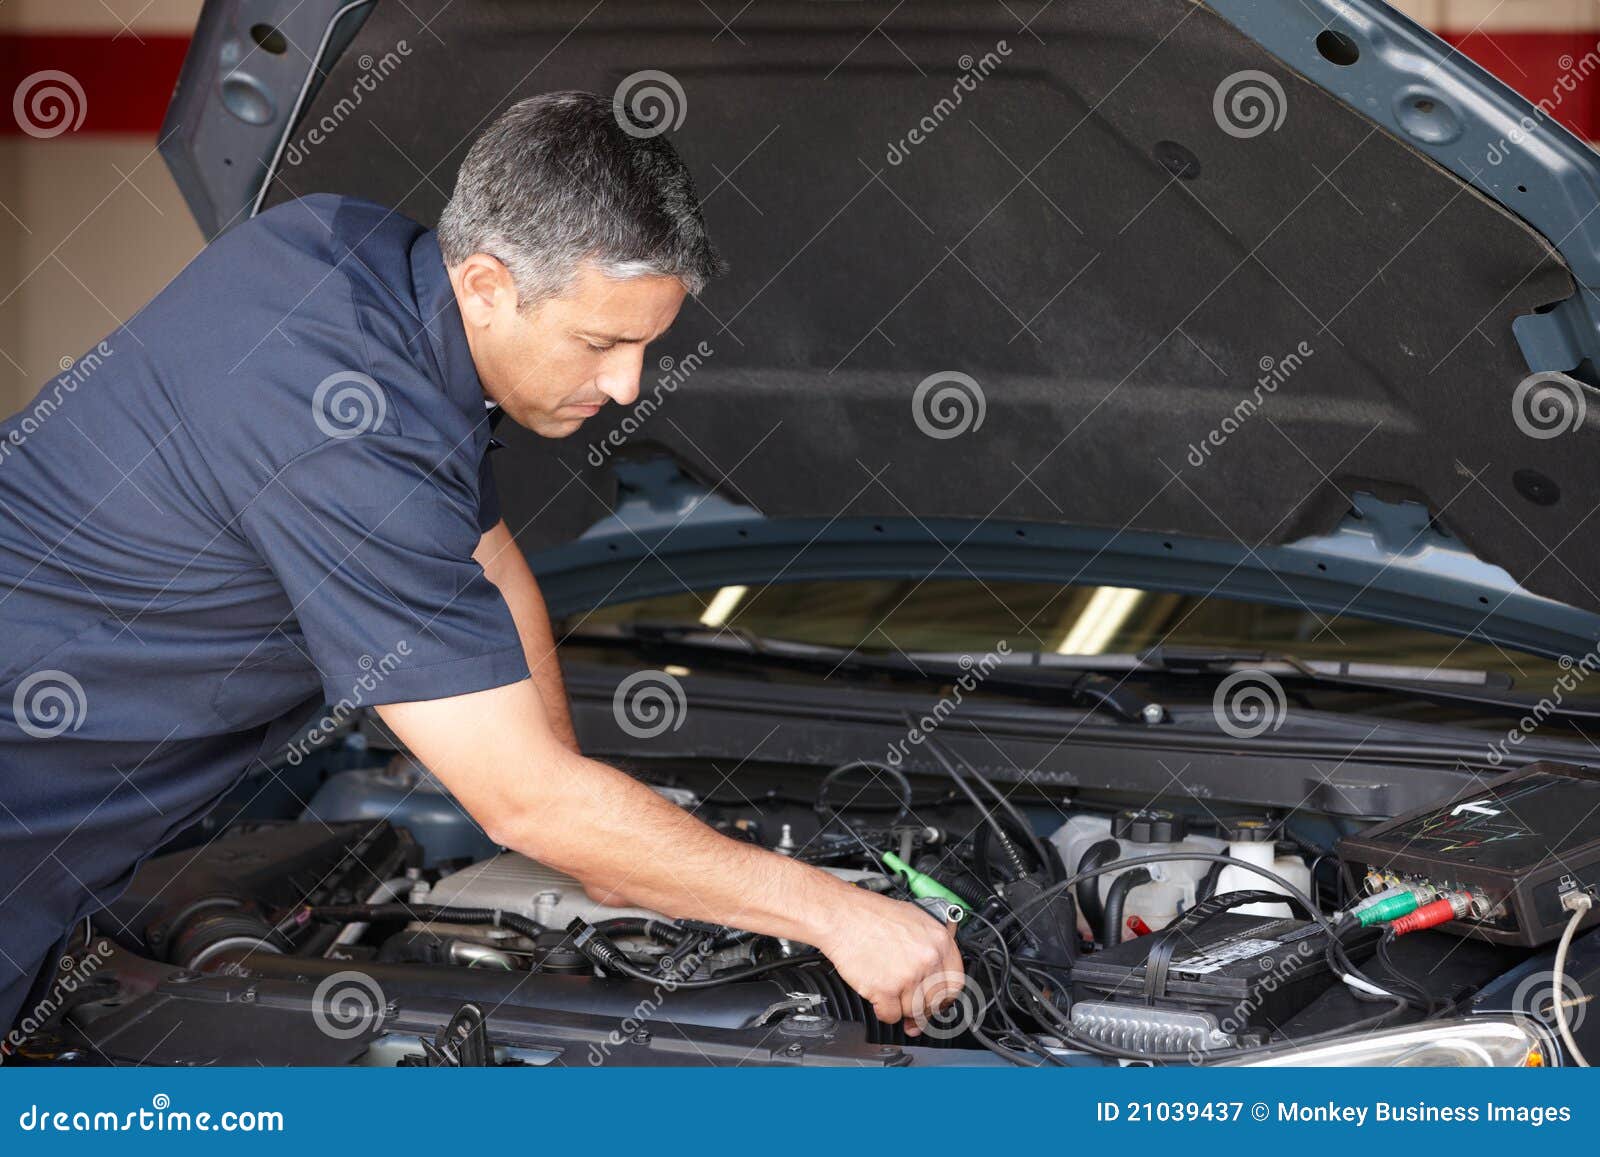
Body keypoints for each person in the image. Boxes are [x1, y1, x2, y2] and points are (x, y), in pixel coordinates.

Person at [0, 91, 961, 1042]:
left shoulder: (337, 248)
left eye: (646, 344)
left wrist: (586, 820)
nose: (629, 385)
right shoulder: (352, 431)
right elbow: (519, 798)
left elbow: (487, 552)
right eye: (603, 342)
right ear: (489, 285)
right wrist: (837, 914)